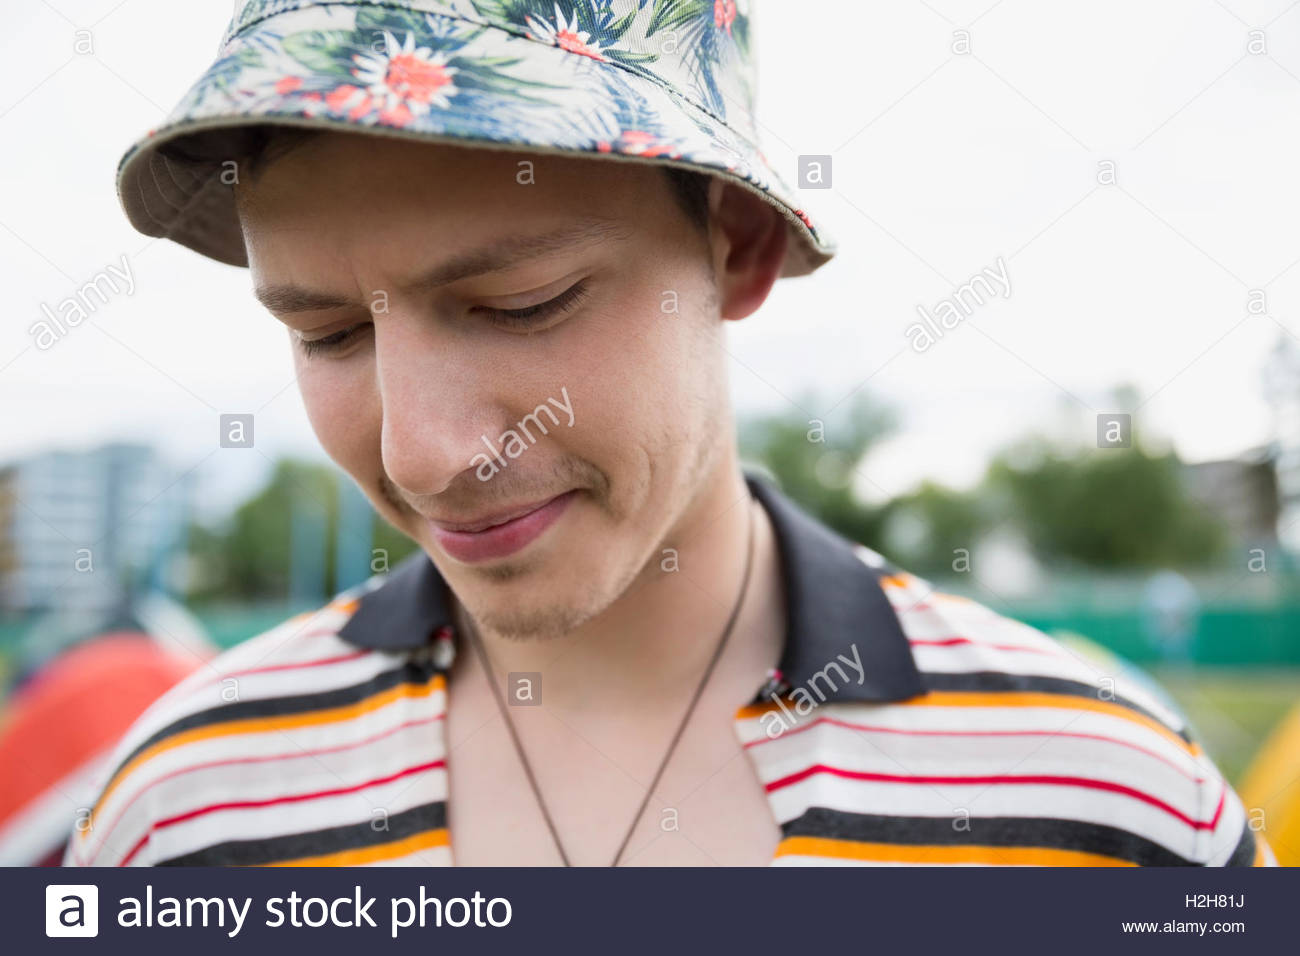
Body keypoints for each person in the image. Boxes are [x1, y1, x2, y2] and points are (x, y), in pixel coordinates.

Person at [64, 0, 1273, 867]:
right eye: (328, 333)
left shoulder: (1102, 802)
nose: (424, 454)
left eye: (520, 305)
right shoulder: (184, 808)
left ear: (735, 245)